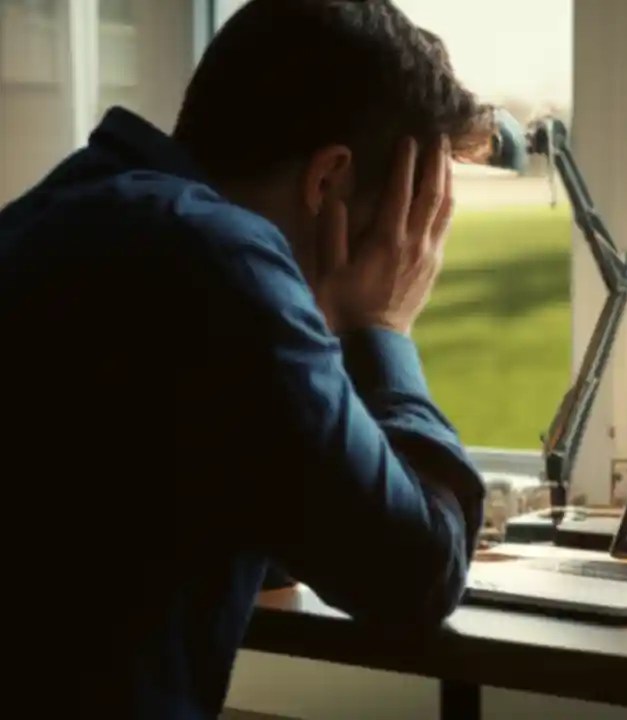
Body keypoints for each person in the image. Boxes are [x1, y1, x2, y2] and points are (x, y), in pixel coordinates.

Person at [0, 0, 491, 717]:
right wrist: (383, 327)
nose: (414, 252)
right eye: (406, 222)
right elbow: (414, 578)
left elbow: (282, 511)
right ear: (329, 182)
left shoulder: (65, 217)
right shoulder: (221, 259)